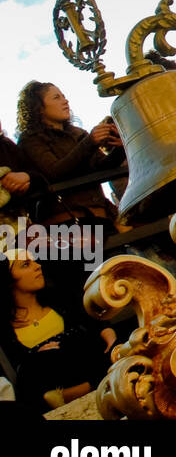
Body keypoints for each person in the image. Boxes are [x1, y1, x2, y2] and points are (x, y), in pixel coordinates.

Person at [1, 249, 114, 409]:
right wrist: (36, 355)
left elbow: (93, 324)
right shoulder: (5, 328)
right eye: (26, 264)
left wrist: (109, 335)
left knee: (82, 342)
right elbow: (21, 372)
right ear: (8, 279)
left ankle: (77, 391)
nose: (37, 266)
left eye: (35, 261)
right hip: (48, 377)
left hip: (82, 361)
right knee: (30, 369)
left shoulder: (60, 299)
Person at [15, 82, 123, 226]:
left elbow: (103, 167)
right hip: (66, 221)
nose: (65, 101)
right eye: (56, 97)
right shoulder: (31, 139)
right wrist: (89, 142)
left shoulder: (78, 133)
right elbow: (54, 172)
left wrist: (121, 147)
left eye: (64, 97)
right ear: (39, 108)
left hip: (100, 216)